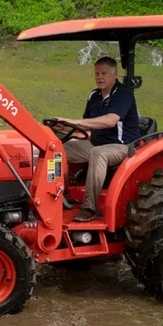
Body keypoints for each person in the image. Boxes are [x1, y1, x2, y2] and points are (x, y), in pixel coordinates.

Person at [53, 57, 141, 222]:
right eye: (97, 74)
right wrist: (62, 125)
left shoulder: (123, 94)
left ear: (115, 74)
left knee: (98, 153)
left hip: (122, 146)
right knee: (56, 149)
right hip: (96, 142)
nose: (100, 77)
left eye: (104, 73)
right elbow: (86, 124)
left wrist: (74, 122)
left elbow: (110, 121)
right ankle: (58, 195)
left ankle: (89, 207)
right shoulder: (94, 96)